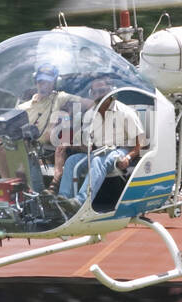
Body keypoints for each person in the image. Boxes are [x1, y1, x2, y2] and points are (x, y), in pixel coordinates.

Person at [0, 62, 76, 182]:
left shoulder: (61, 99)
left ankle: (10, 189)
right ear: (35, 82)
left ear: (55, 83)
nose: (44, 85)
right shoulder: (22, 107)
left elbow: (89, 103)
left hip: (41, 151)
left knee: (6, 148)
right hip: (20, 146)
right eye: (41, 81)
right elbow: (8, 127)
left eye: (48, 82)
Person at [58, 75, 145, 205]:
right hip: (98, 151)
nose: (99, 95)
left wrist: (128, 158)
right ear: (91, 94)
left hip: (119, 150)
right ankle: (63, 199)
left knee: (98, 161)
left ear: (111, 91)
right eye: (95, 92)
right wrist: (78, 146)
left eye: (102, 91)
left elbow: (141, 142)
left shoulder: (125, 111)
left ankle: (81, 201)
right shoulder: (90, 114)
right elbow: (89, 143)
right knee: (71, 161)